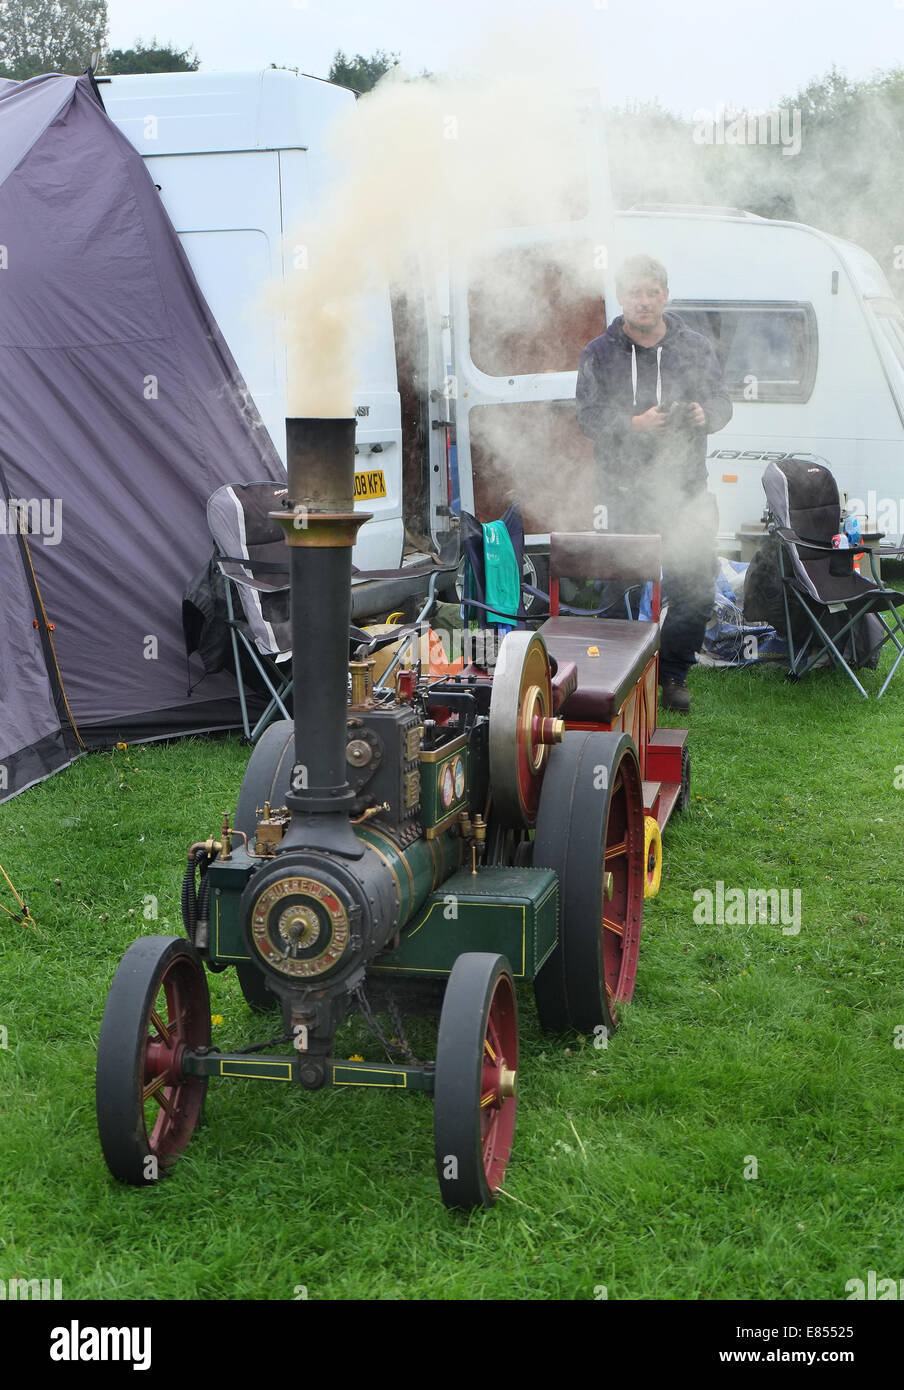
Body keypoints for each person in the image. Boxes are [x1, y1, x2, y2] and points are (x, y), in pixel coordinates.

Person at [575, 254, 732, 712]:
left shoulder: (695, 347)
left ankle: (674, 675)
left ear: (664, 295)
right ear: (621, 299)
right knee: (618, 589)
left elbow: (722, 401)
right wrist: (635, 423)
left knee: (695, 587)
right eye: (634, 294)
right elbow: (587, 416)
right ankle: (619, 674)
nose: (643, 303)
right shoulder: (598, 353)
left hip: (686, 492)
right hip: (623, 493)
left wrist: (707, 415)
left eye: (651, 293)